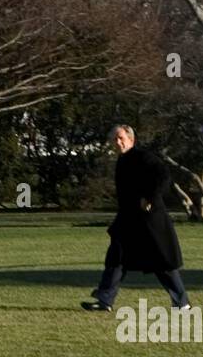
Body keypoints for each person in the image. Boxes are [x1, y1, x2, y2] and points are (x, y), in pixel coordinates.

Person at [81, 124, 190, 312]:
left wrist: (150, 197)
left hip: (149, 220)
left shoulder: (143, 157)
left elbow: (163, 176)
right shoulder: (122, 160)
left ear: (131, 139)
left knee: (162, 262)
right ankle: (105, 300)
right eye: (115, 139)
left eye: (121, 138)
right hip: (128, 220)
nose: (117, 142)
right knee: (116, 258)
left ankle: (182, 303)